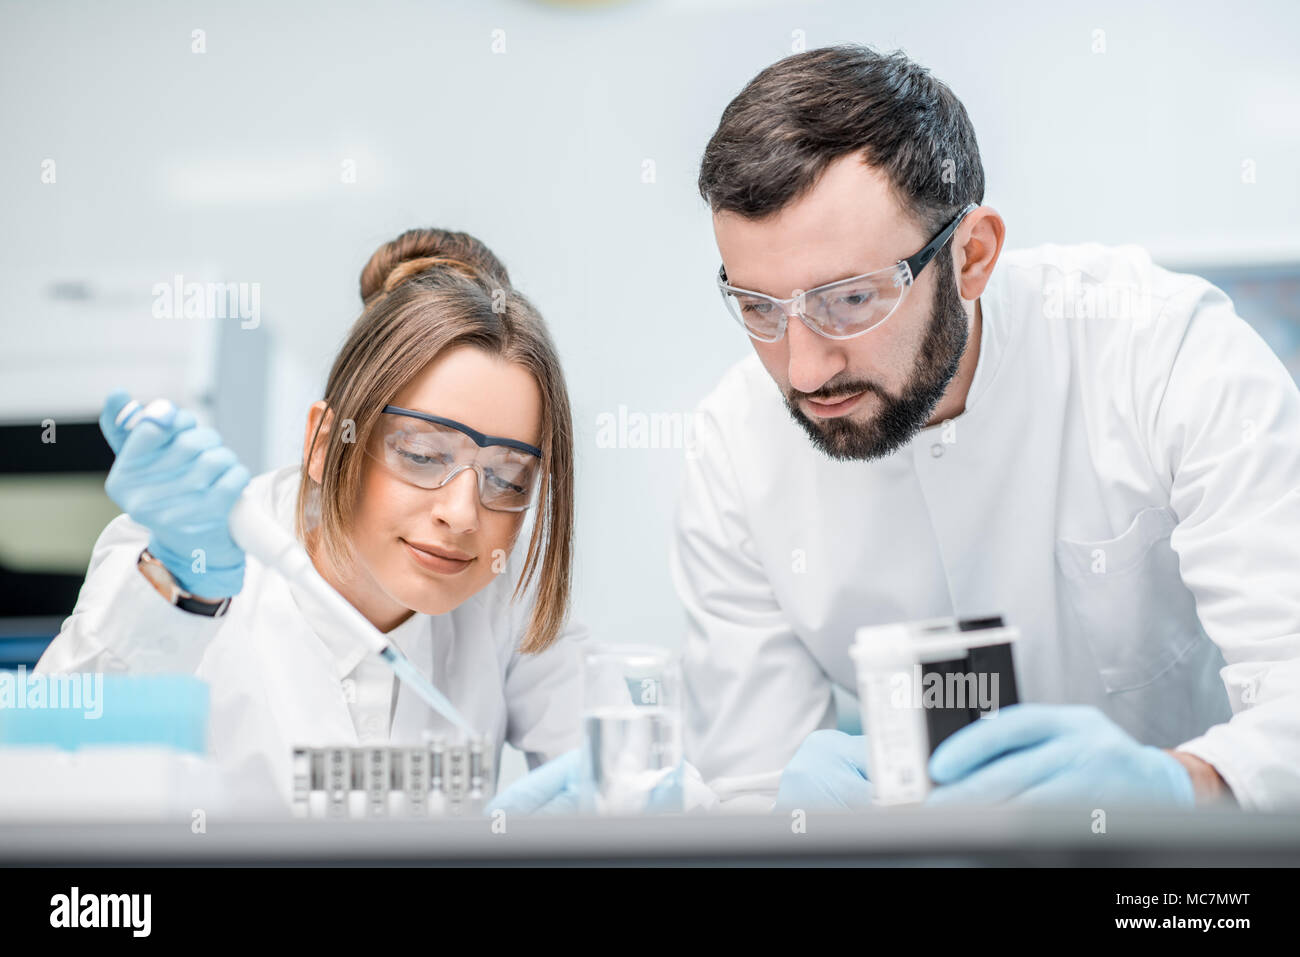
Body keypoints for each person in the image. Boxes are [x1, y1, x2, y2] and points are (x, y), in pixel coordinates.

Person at [672, 44, 1300, 811]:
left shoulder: (1167, 356)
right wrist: (785, 818)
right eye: (761, 309)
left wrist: (1178, 788)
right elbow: (752, 793)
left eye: (850, 299)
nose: (803, 370)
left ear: (972, 255)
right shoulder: (734, 453)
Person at [36, 228, 586, 810]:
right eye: (423, 455)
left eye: (507, 476)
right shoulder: (185, 556)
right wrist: (175, 597)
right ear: (323, 443)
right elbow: (45, 788)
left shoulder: (505, 591)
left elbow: (615, 765)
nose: (461, 514)